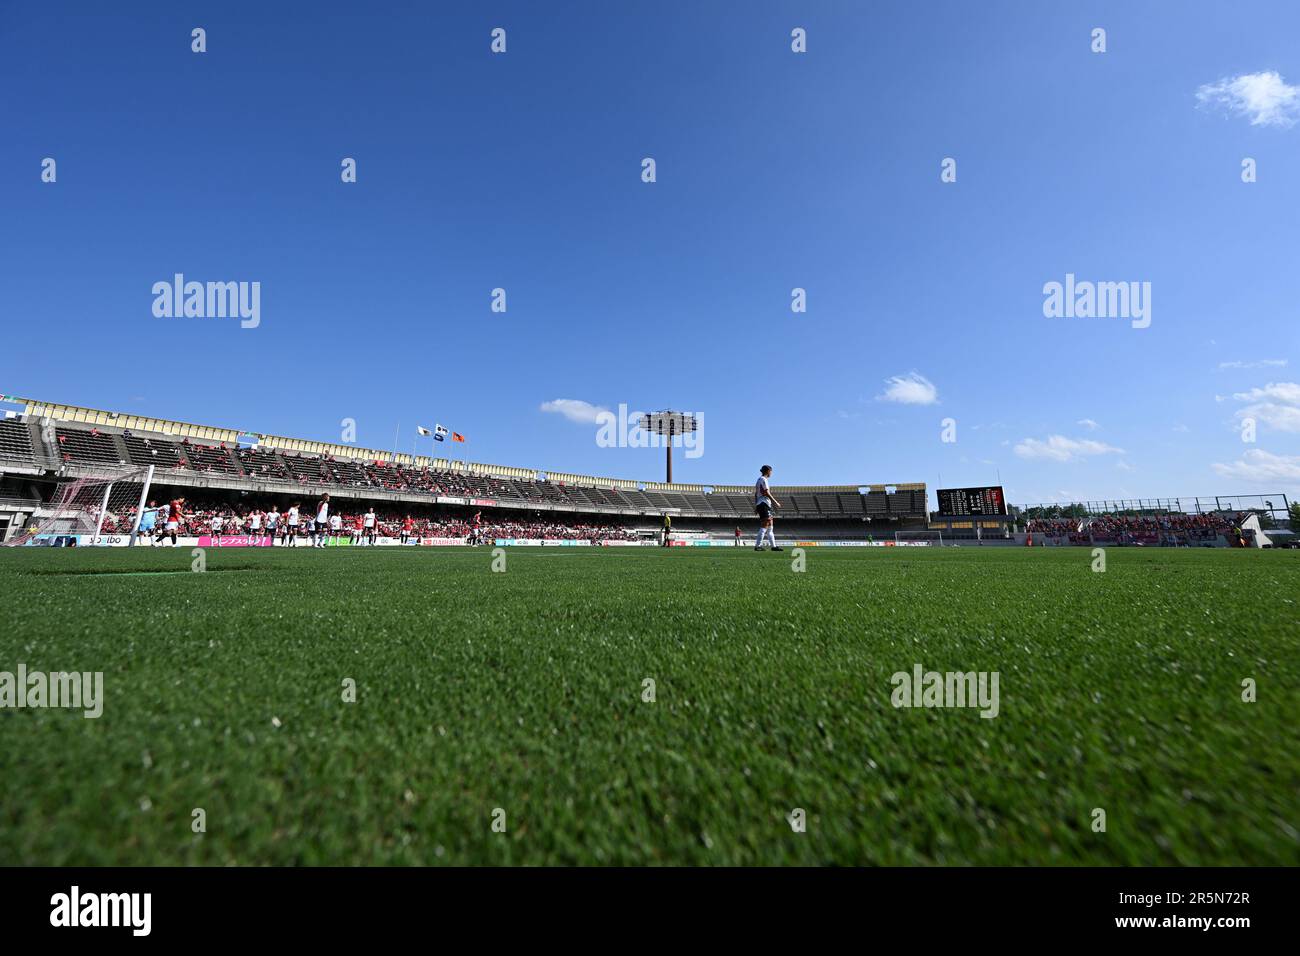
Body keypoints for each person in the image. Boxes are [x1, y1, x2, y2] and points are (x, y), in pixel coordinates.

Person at [754, 465, 781, 551]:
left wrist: (756, 506)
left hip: (762, 504)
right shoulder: (763, 479)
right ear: (768, 471)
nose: (771, 473)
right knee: (765, 525)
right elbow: (766, 492)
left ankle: (773, 546)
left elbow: (756, 494)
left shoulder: (759, 480)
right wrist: (775, 501)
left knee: (770, 527)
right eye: (771, 471)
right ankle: (758, 546)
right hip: (764, 504)